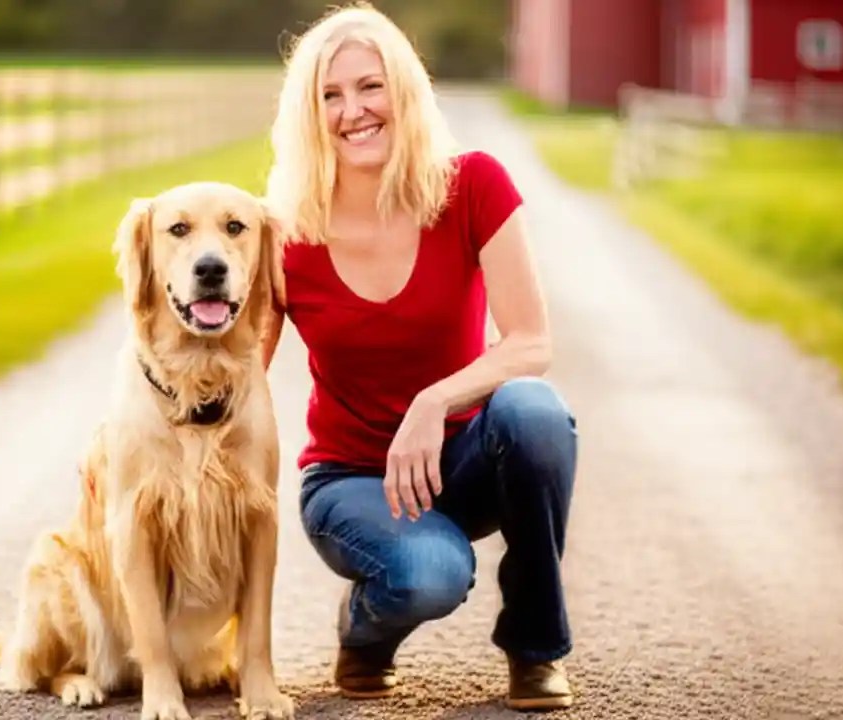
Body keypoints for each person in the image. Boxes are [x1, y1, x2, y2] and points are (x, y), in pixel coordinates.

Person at [257, 2, 579, 712]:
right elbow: (240, 371)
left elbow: (531, 342)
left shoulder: (472, 185)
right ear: (308, 114)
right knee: (432, 574)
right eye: (330, 95)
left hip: (464, 461)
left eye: (369, 86)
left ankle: (536, 650)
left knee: (535, 413)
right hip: (350, 482)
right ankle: (364, 635)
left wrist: (433, 402)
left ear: (403, 88)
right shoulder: (283, 231)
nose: (353, 111)